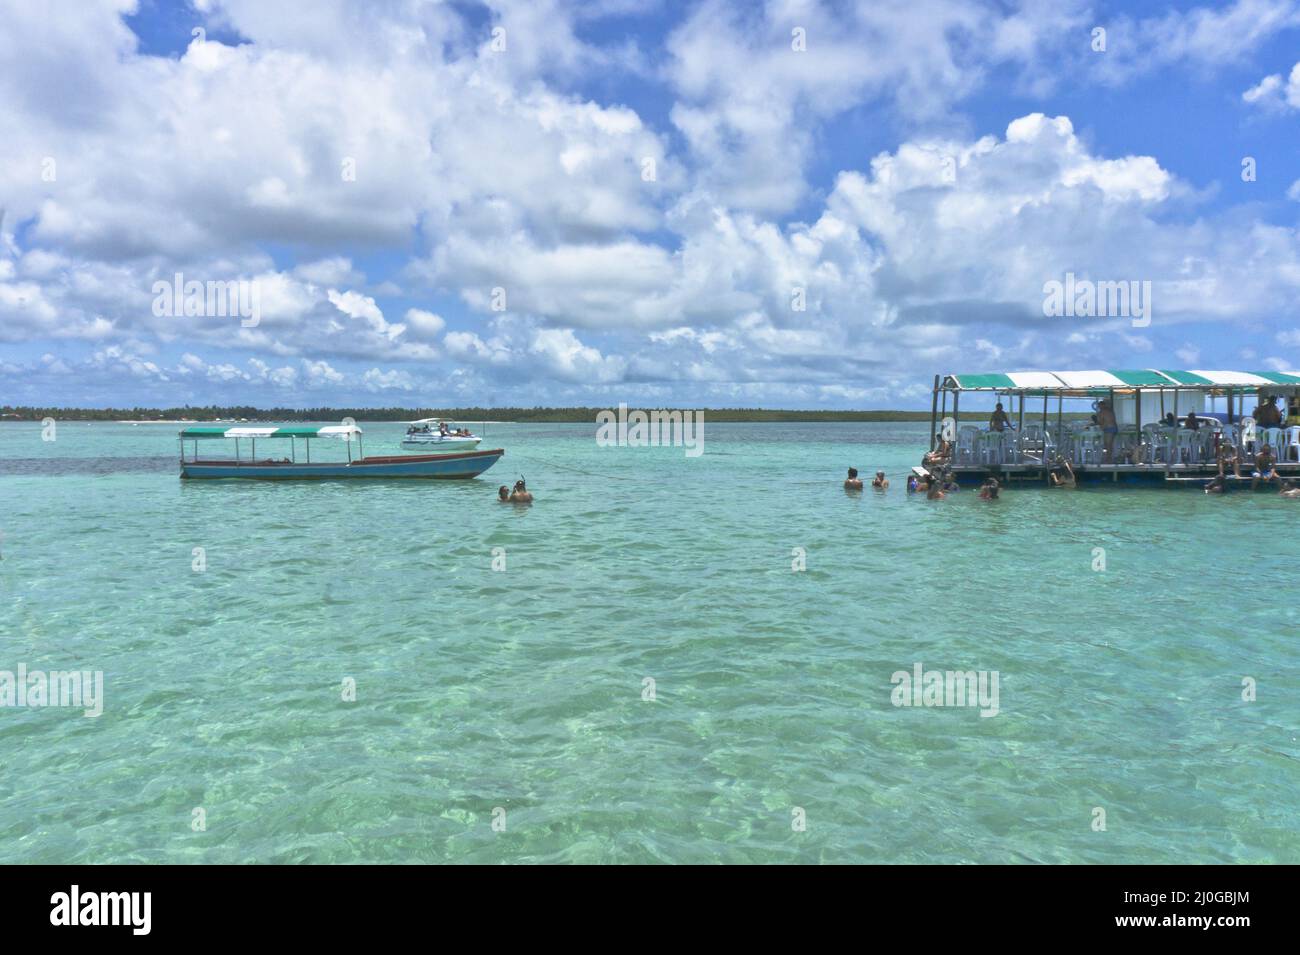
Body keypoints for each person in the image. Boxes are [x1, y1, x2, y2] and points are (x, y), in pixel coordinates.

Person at [1097, 399, 1118, 463]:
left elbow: (1100, 422)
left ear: (1100, 406)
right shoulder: (1110, 411)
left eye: (1099, 406)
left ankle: (1109, 459)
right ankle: (1108, 458)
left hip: (1109, 428)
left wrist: (1097, 419)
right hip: (1113, 428)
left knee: (1108, 445)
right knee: (1108, 444)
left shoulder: (1101, 412)